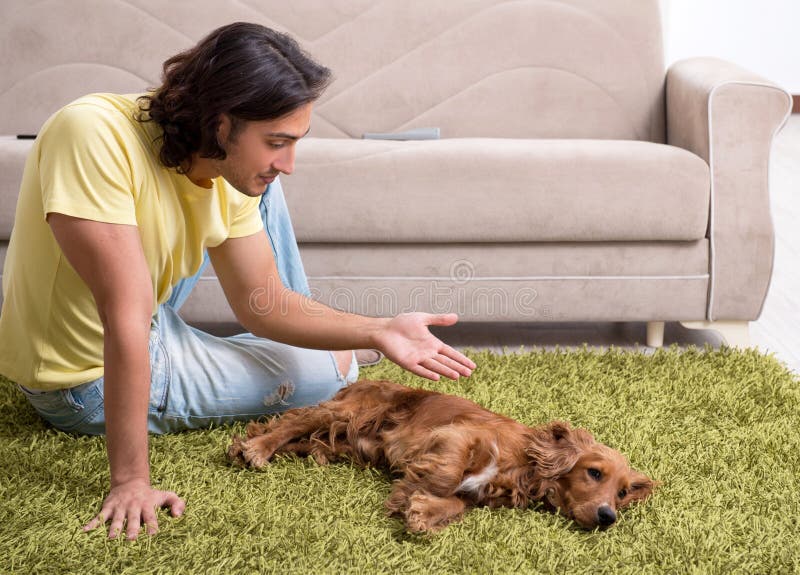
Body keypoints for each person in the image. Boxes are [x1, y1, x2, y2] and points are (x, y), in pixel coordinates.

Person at [0, 22, 476, 541]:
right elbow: (124, 319)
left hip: (147, 312)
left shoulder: (216, 161)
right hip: (81, 377)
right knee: (322, 376)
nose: (290, 164)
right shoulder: (91, 133)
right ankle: (328, 361)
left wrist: (379, 329)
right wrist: (131, 481)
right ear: (221, 123)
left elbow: (264, 304)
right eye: (277, 141)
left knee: (259, 185)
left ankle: (326, 347)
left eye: (295, 142)